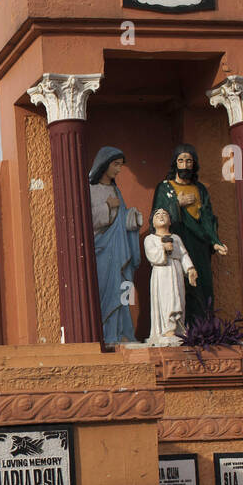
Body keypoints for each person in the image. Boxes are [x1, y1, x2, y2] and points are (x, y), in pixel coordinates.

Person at [150, 144, 228, 326]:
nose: (185, 165)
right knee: (178, 285)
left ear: (194, 164)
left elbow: (207, 217)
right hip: (176, 243)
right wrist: (177, 203)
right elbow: (156, 215)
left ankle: (202, 329)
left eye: (189, 161)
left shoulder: (200, 189)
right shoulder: (165, 188)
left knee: (201, 284)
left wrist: (214, 241)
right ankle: (178, 328)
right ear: (175, 163)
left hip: (199, 245)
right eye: (181, 161)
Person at [88, 146, 143, 344]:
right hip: (102, 250)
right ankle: (106, 334)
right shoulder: (91, 189)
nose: (119, 169)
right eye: (116, 164)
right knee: (105, 292)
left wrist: (132, 216)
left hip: (119, 250)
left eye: (120, 165)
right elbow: (89, 219)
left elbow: (122, 219)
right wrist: (107, 207)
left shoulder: (115, 190)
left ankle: (122, 333)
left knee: (122, 291)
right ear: (104, 164)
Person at [144, 208, 198, 344]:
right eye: (157, 215)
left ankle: (178, 329)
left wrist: (190, 269)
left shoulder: (176, 238)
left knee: (179, 298)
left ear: (170, 221)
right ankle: (167, 328)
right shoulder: (149, 239)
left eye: (164, 214)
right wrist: (163, 249)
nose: (161, 216)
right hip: (162, 272)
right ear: (152, 223)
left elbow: (184, 254)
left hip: (176, 270)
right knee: (166, 300)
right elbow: (151, 255)